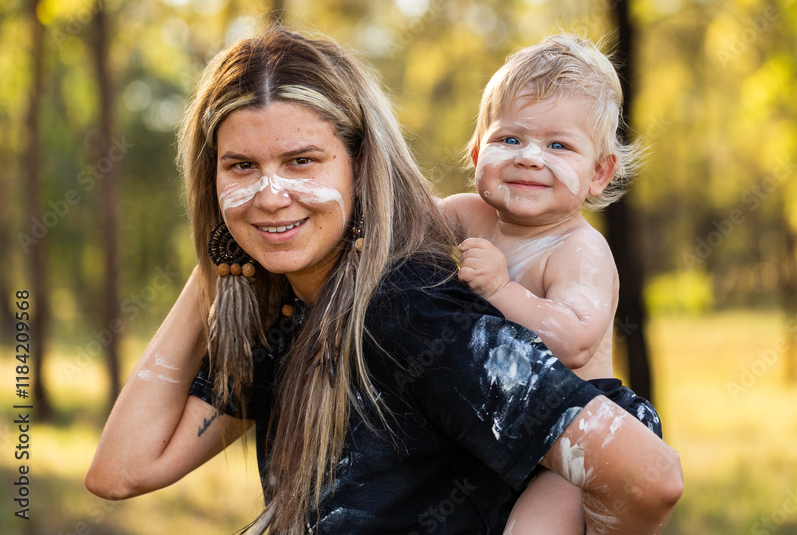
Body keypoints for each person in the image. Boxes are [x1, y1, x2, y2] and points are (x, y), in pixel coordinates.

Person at [86, 28, 682, 534]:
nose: (271, 194)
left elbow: (649, 477)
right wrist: (225, 244)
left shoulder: (408, 308)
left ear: (360, 164)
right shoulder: (299, 306)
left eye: (301, 161)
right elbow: (121, 470)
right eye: (241, 166)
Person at [438, 34, 660, 534]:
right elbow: (396, 228)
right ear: (476, 153)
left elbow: (577, 339)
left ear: (599, 172)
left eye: (558, 145)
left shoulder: (578, 249)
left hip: (572, 445)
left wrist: (501, 290)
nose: (530, 158)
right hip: (496, 433)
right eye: (509, 139)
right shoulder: (466, 215)